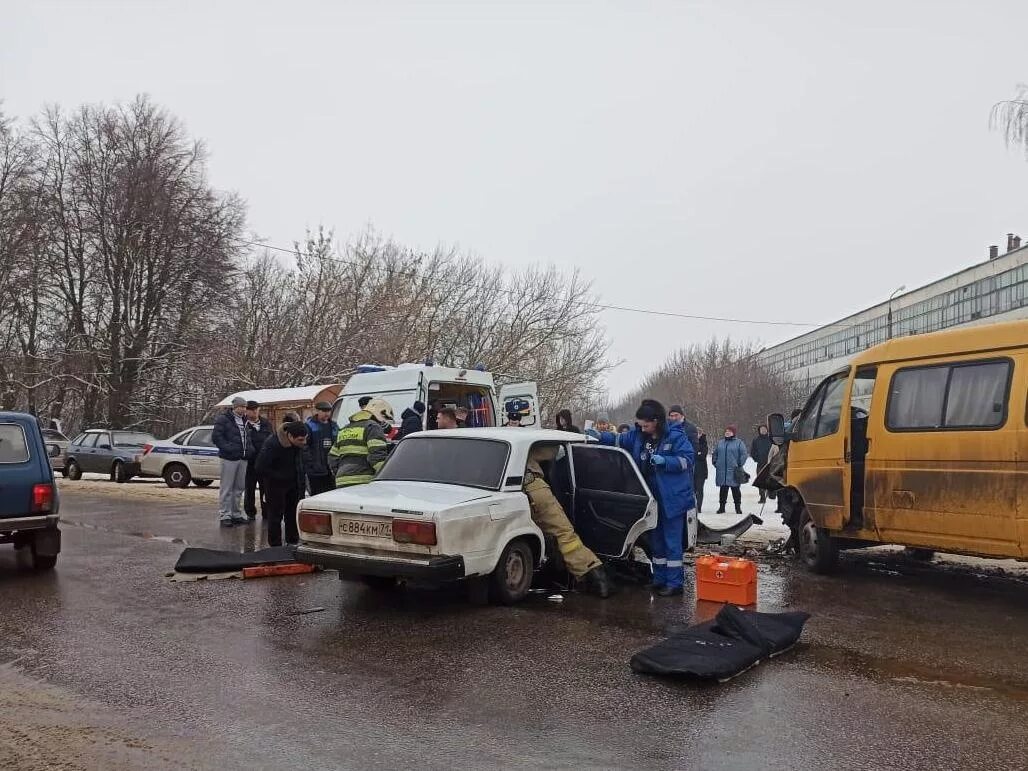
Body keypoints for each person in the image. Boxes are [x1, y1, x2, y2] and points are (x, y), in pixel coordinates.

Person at [596, 399, 695, 597]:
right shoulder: (638, 436)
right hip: (651, 498)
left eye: (646, 424)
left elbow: (688, 460)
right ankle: (659, 579)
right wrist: (597, 435)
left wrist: (666, 461)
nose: (642, 428)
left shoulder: (675, 436)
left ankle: (675, 584)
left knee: (672, 542)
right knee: (656, 540)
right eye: (640, 424)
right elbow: (617, 440)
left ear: (656, 421)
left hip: (672, 498)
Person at [524, 446, 613, 598]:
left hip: (507, 492)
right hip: (534, 487)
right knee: (564, 534)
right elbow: (550, 452)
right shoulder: (533, 444)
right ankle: (596, 576)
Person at [255, 421, 308, 547]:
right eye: (300, 440)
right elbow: (259, 467)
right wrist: (279, 476)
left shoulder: (298, 445)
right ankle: (275, 546)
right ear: (290, 436)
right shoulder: (272, 444)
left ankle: (292, 541)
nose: (304, 442)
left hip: (294, 484)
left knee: (292, 514)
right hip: (275, 485)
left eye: (305, 439)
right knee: (275, 516)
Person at [329, 398, 393, 487]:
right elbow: (377, 457)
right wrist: (388, 475)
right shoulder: (373, 427)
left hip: (342, 481)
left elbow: (332, 456)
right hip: (364, 481)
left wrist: (341, 472)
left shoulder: (345, 429)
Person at [212, 397, 252, 527]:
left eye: (245, 407)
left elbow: (247, 437)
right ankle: (225, 515)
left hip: (243, 457)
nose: (244, 409)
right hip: (229, 458)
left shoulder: (245, 420)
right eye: (242, 406)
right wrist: (229, 448)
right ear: (235, 407)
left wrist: (250, 449)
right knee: (227, 488)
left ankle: (236, 514)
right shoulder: (223, 419)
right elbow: (216, 437)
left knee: (239, 488)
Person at [243, 401, 273, 521]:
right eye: (251, 410)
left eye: (256, 409)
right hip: (249, 462)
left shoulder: (266, 424)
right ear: (247, 411)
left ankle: (266, 512)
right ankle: (250, 512)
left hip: (264, 462)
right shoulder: (243, 424)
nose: (254, 412)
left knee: (265, 489)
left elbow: (271, 439)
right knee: (249, 488)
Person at [304, 402, 339, 495]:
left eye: (328, 411)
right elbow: (304, 446)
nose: (327, 413)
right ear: (317, 411)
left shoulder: (334, 426)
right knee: (318, 495)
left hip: (331, 469)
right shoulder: (310, 426)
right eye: (323, 411)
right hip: (316, 470)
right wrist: (311, 464)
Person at [713, 425, 749, 515]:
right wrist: (715, 462)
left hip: (734, 471)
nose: (727, 432)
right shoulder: (720, 442)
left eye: (730, 431)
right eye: (726, 431)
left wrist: (739, 463)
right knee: (723, 490)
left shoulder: (739, 443)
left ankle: (738, 508)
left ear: (733, 433)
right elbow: (715, 453)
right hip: (722, 471)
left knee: (735, 490)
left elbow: (744, 454)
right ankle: (721, 508)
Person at [749, 425, 773, 504]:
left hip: (771, 463)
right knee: (761, 480)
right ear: (759, 431)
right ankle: (762, 497)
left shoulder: (771, 439)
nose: (763, 431)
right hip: (760, 463)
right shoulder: (756, 440)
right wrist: (756, 458)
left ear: (767, 430)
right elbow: (753, 451)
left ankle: (771, 492)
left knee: (771, 479)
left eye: (765, 429)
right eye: (761, 429)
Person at [693, 428, 709, 514]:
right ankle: (692, 506)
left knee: (699, 490)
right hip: (691, 471)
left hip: (701, 472)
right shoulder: (691, 442)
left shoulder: (704, 443)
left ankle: (699, 507)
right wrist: (697, 453)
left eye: (699, 433)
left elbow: (702, 456)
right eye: (696, 433)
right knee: (692, 490)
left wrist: (696, 454)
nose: (697, 435)